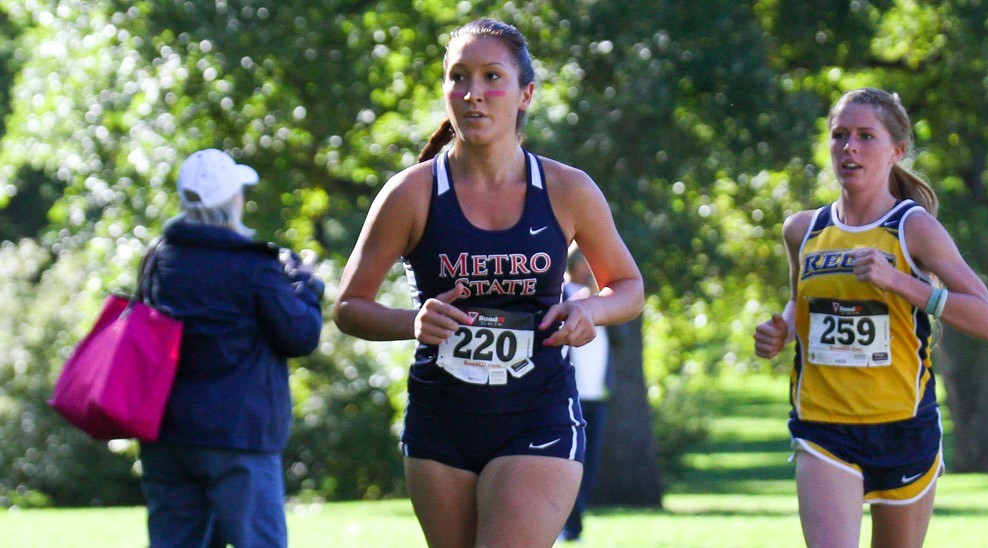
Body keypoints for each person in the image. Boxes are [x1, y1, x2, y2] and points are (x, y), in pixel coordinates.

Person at [333, 18, 644, 547]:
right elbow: (348, 307)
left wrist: (590, 310)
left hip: (537, 413)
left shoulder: (567, 189)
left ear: (525, 94)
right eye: (459, 78)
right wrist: (414, 322)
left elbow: (629, 286)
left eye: (491, 77)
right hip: (441, 423)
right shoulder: (411, 193)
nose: (473, 94)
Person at [753, 88, 988, 547]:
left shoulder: (913, 227)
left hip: (903, 425)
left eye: (866, 136)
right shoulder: (803, 230)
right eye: (840, 136)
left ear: (896, 150)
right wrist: (781, 331)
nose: (850, 148)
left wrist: (903, 283)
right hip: (823, 426)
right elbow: (799, 303)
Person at [140, 148, 324, 547]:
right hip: (239, 433)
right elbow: (300, 335)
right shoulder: (253, 265)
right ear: (233, 200)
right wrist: (306, 285)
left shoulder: (159, 258)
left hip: (168, 432)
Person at [560, 245, 612, 543]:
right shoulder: (565, 292)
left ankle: (574, 527)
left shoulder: (604, 300)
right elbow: (581, 298)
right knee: (570, 465)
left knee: (588, 469)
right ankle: (567, 526)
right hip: (572, 394)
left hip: (597, 394)